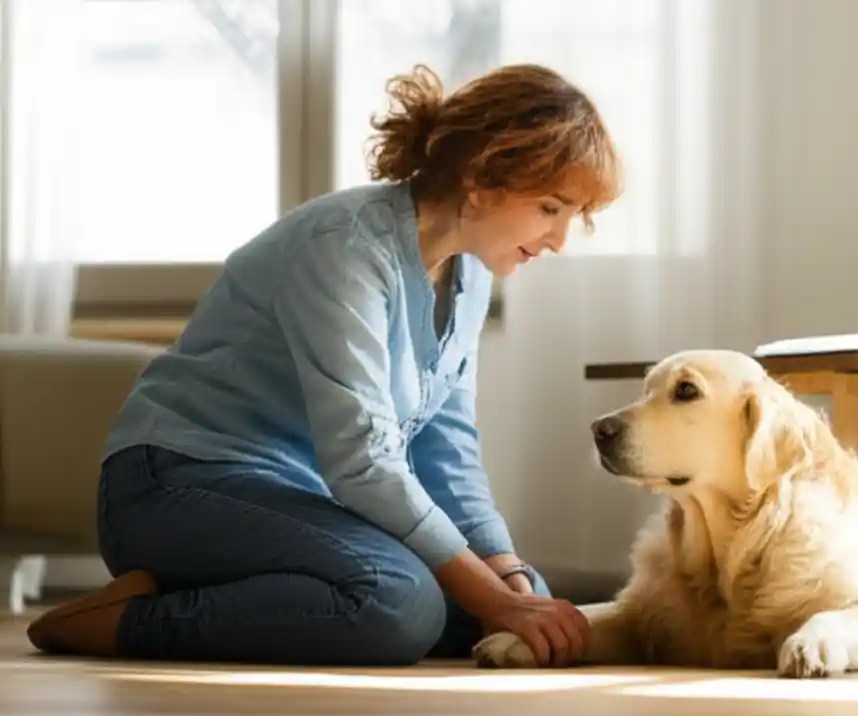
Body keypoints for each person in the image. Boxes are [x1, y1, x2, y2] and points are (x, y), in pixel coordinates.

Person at [26, 62, 621, 668]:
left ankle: (233, 594)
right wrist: (495, 598)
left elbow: (448, 451)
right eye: (551, 208)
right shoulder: (345, 248)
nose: (559, 239)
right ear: (480, 178)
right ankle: (129, 620)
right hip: (175, 482)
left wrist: (505, 573)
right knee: (399, 602)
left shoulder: (468, 275)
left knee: (523, 604)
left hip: (297, 500)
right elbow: (363, 461)